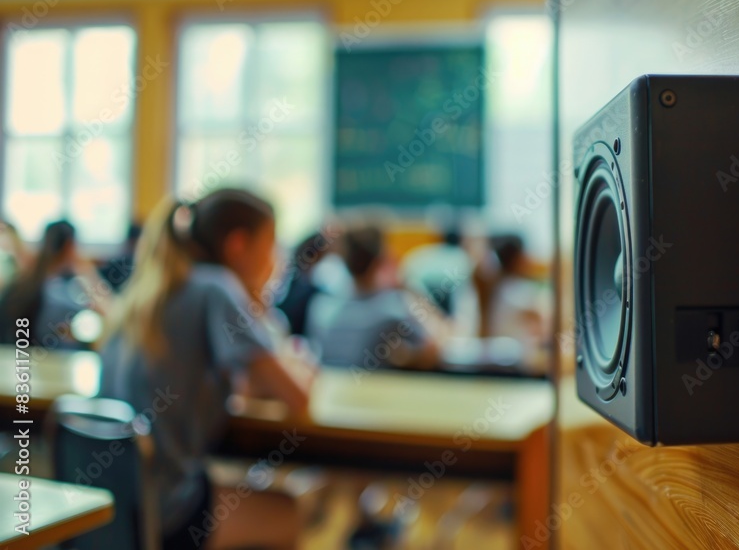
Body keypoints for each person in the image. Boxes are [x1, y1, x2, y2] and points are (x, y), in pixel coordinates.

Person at [99, 189, 314, 550]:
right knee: (292, 509)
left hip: (113, 506)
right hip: (165, 511)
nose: (277, 261)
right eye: (271, 245)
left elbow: (242, 381)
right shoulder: (216, 287)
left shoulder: (149, 289)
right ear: (238, 244)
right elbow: (296, 393)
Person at [307, 223, 444, 370]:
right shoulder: (392, 307)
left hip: (332, 390)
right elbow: (436, 347)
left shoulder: (320, 306)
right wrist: (408, 287)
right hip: (372, 390)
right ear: (382, 261)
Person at [0, 220, 109, 348]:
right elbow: (112, 315)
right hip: (49, 362)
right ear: (70, 246)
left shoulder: (27, 280)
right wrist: (87, 271)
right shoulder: (58, 291)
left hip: (16, 358)